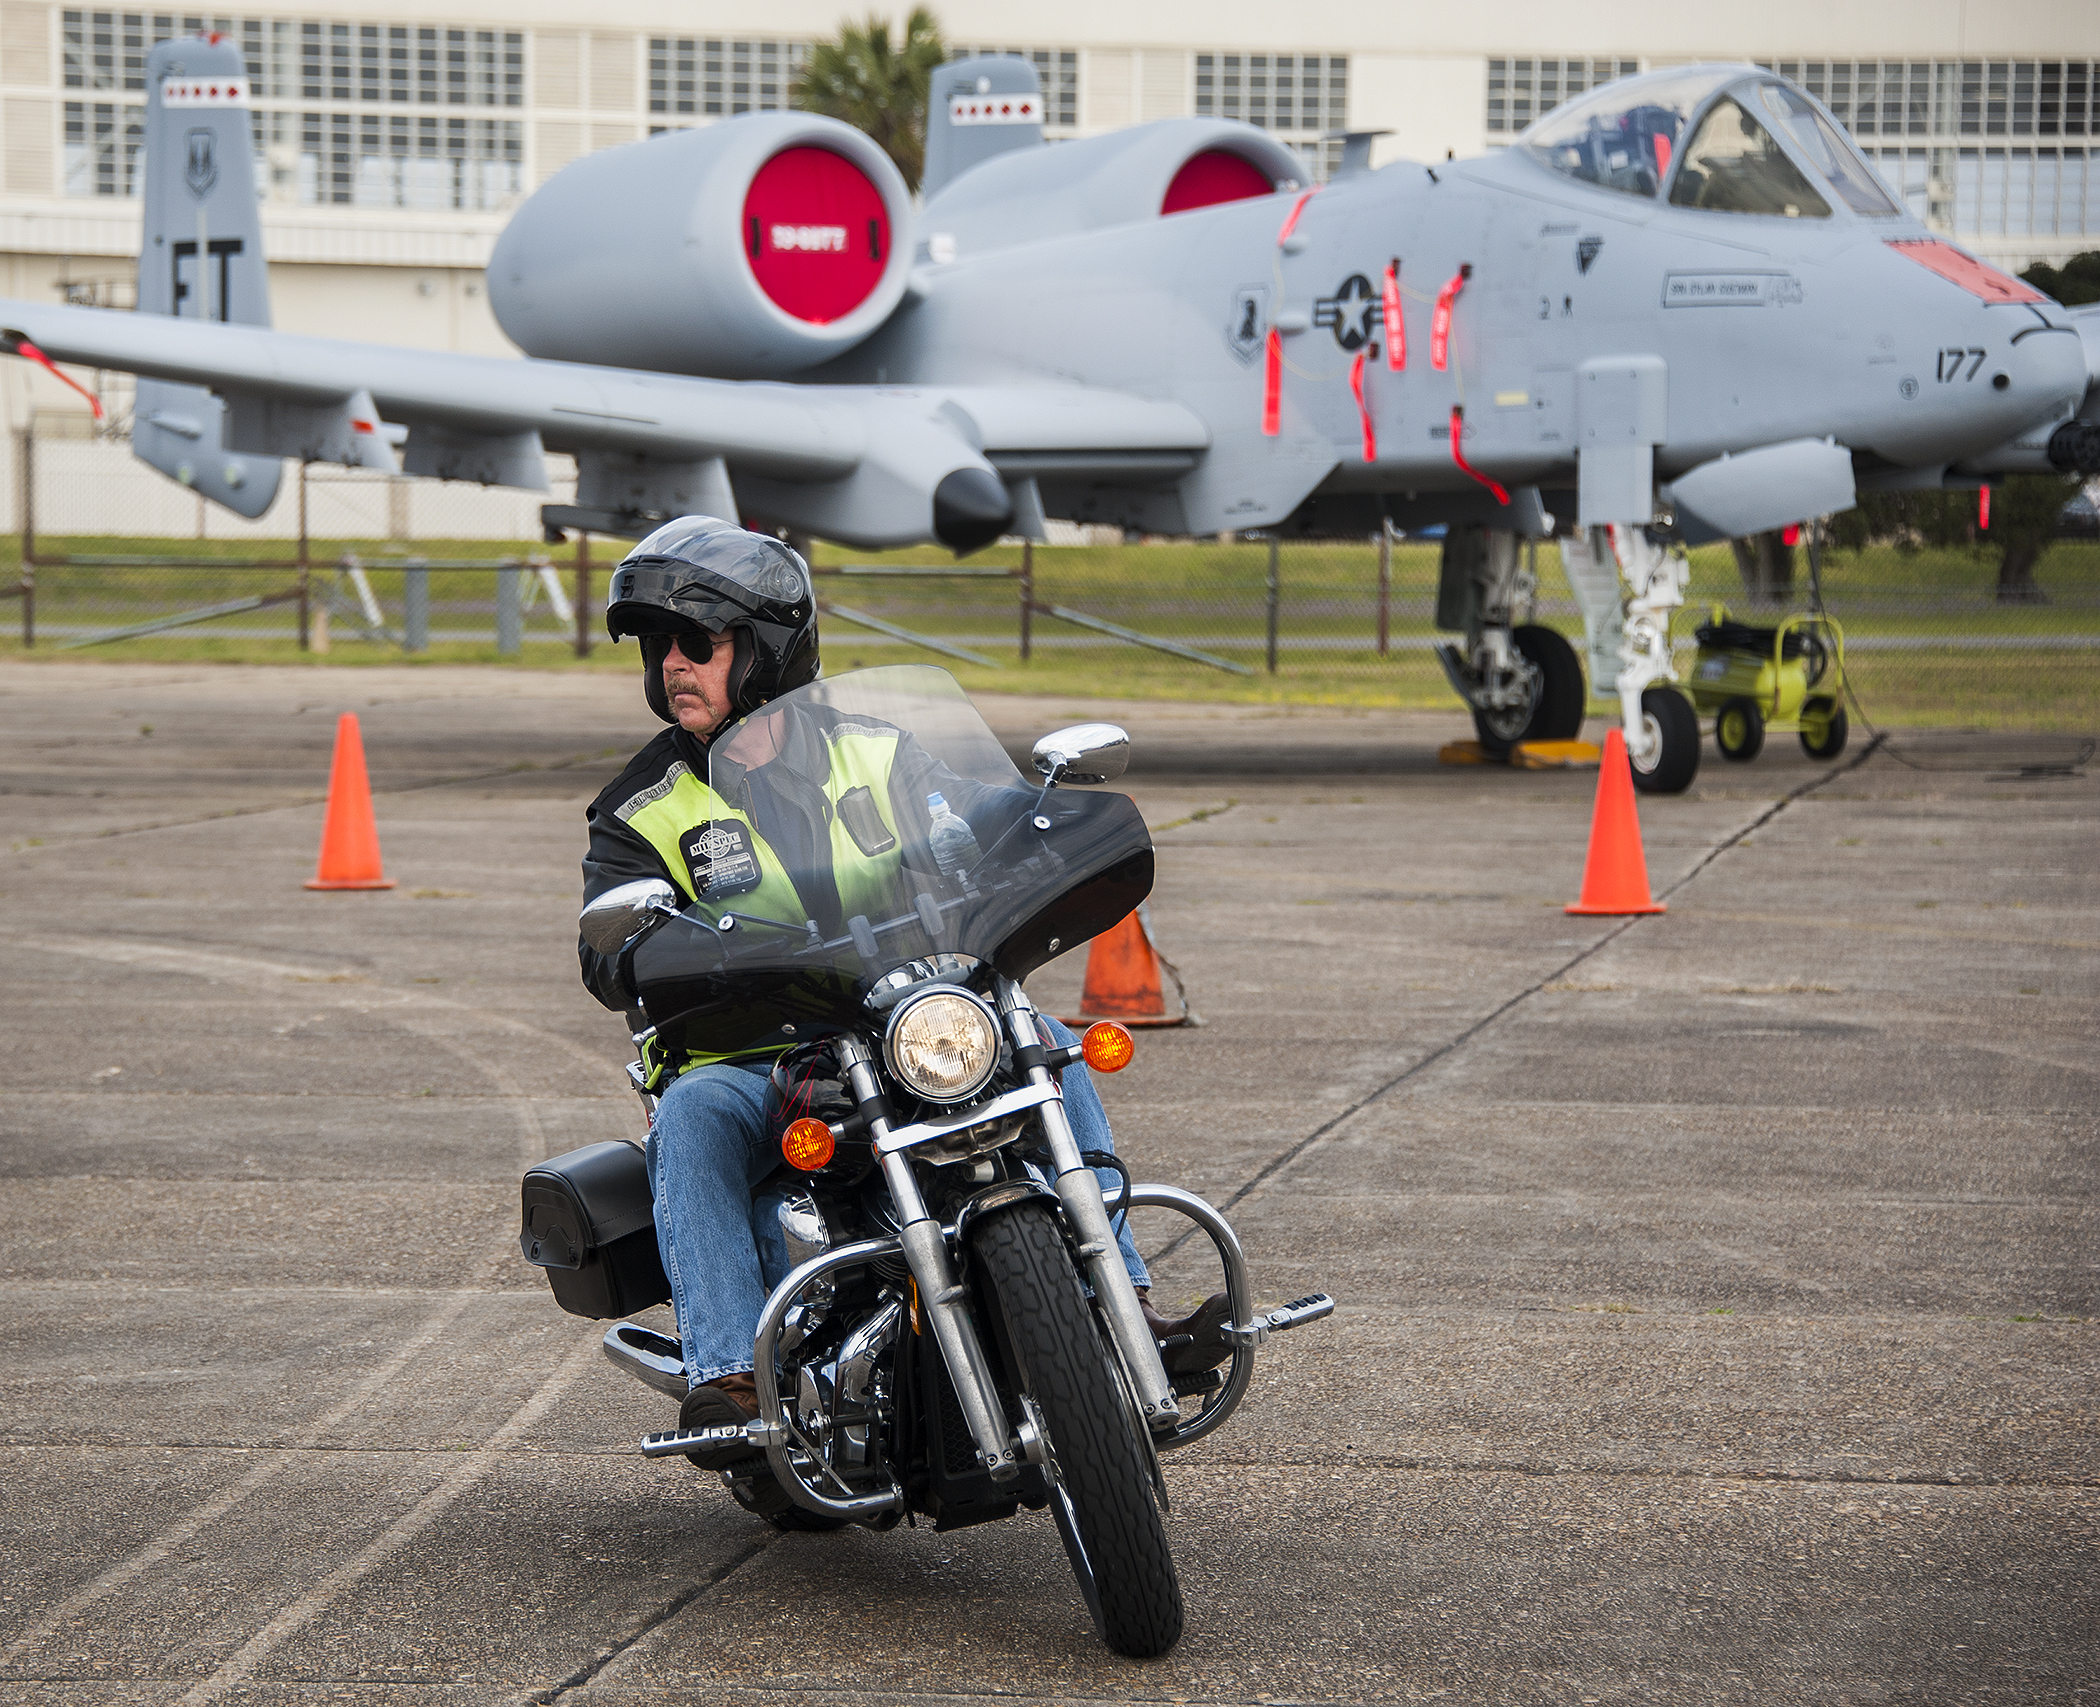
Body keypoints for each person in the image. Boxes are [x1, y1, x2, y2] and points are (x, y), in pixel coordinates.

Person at [576, 517, 1226, 1489]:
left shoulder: (873, 751)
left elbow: (970, 814)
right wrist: (632, 937)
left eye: (696, 642)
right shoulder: (642, 807)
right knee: (694, 1118)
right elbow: (606, 929)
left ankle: (1125, 1298)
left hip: (895, 1020)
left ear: (764, 649)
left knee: (1041, 1039)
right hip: (750, 1057)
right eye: (659, 646)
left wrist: (1044, 815)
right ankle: (728, 1377)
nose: (673, 664)